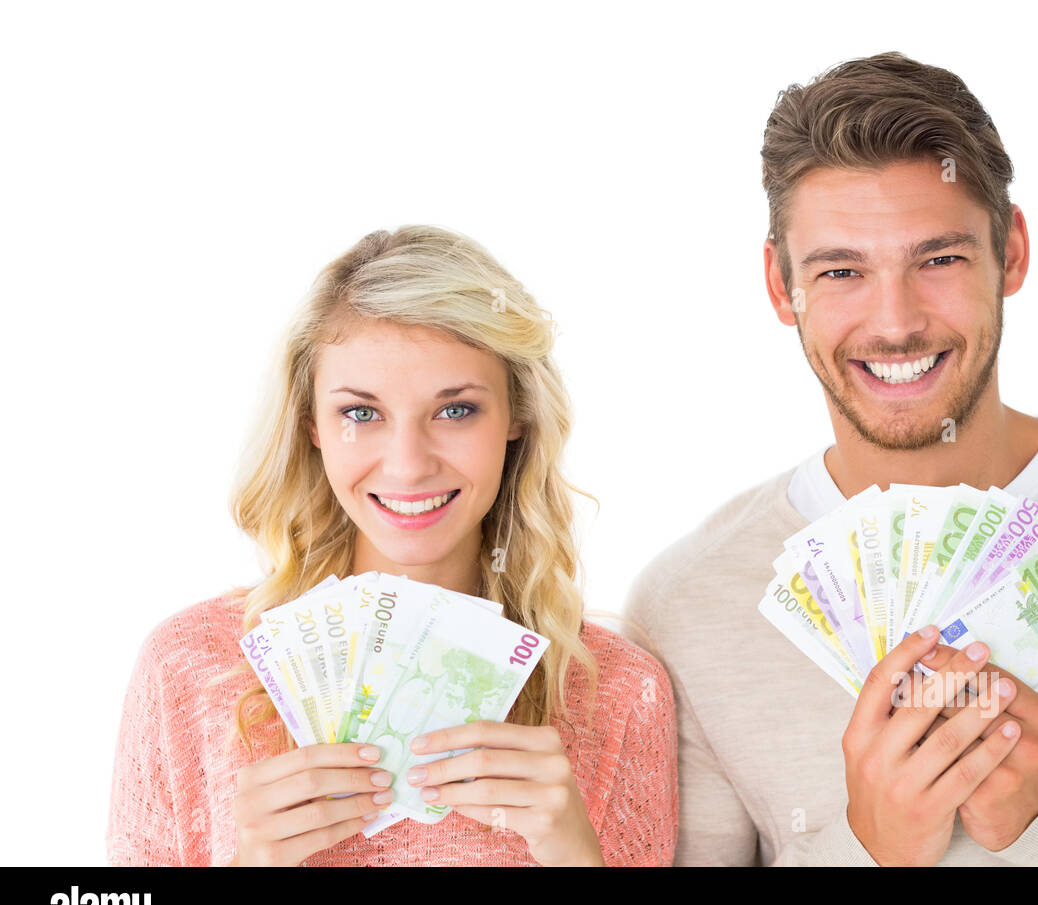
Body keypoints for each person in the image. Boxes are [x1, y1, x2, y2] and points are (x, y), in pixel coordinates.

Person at [623, 52, 1038, 866]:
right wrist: (870, 851)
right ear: (780, 285)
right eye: (841, 270)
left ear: (1010, 253)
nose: (897, 322)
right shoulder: (690, 603)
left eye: (938, 260)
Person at [108, 226, 677, 866]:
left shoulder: (620, 694)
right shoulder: (189, 668)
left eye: (455, 410)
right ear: (312, 427)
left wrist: (576, 856)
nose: (408, 466)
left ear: (517, 419)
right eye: (361, 412)